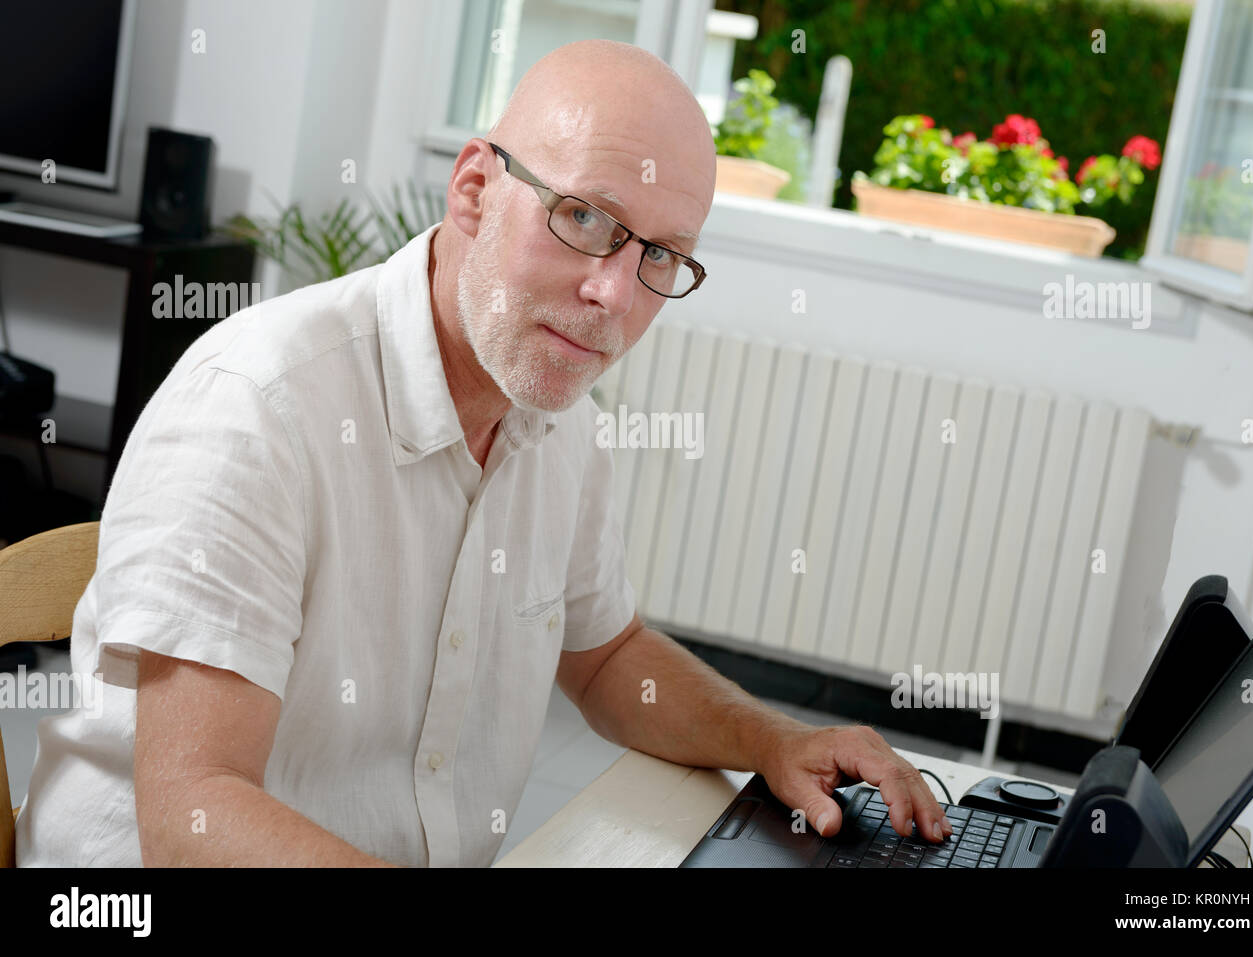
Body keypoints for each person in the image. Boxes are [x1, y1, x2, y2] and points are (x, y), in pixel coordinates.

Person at [16, 38, 949, 867]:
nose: (615, 296)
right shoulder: (259, 406)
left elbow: (608, 653)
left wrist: (771, 739)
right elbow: (196, 820)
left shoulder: (554, 412)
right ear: (473, 190)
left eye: (661, 255)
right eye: (586, 218)